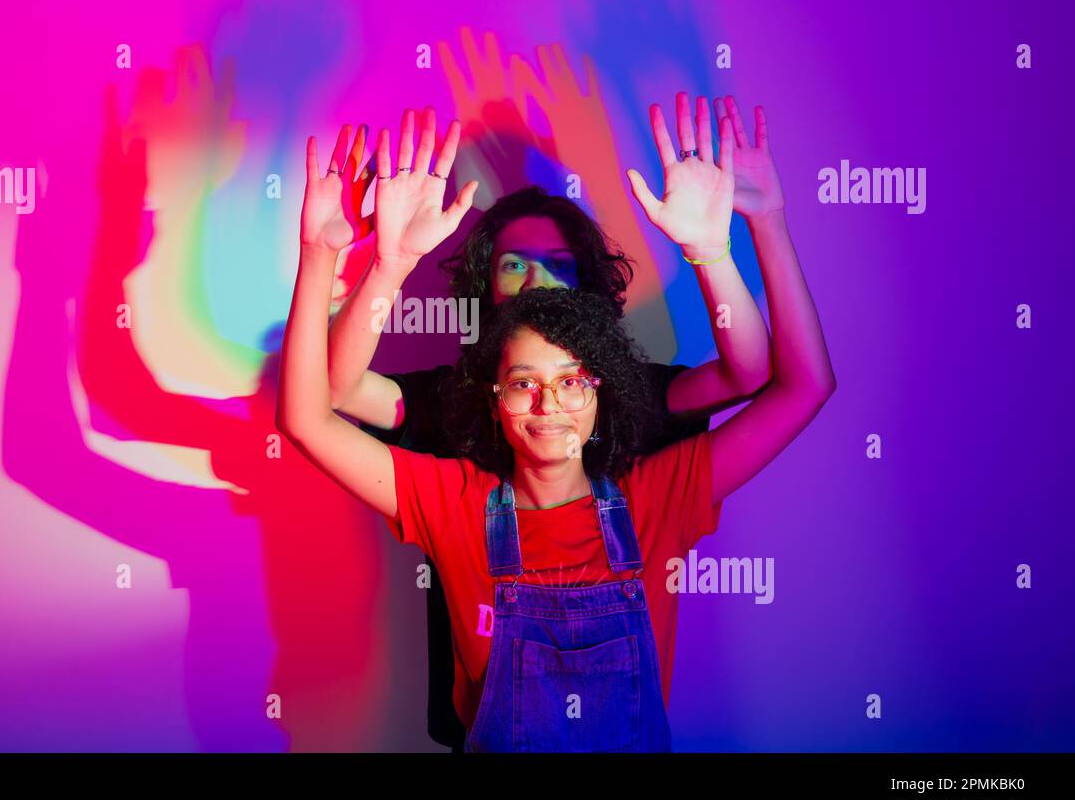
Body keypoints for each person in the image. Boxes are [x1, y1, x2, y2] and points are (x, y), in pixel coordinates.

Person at [277, 101, 836, 751]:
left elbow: (776, 379)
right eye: (524, 383)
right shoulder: (452, 495)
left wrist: (737, 238)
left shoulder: (658, 489)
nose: (549, 404)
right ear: (491, 393)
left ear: (601, 385)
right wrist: (348, 260)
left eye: (571, 380)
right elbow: (319, 403)